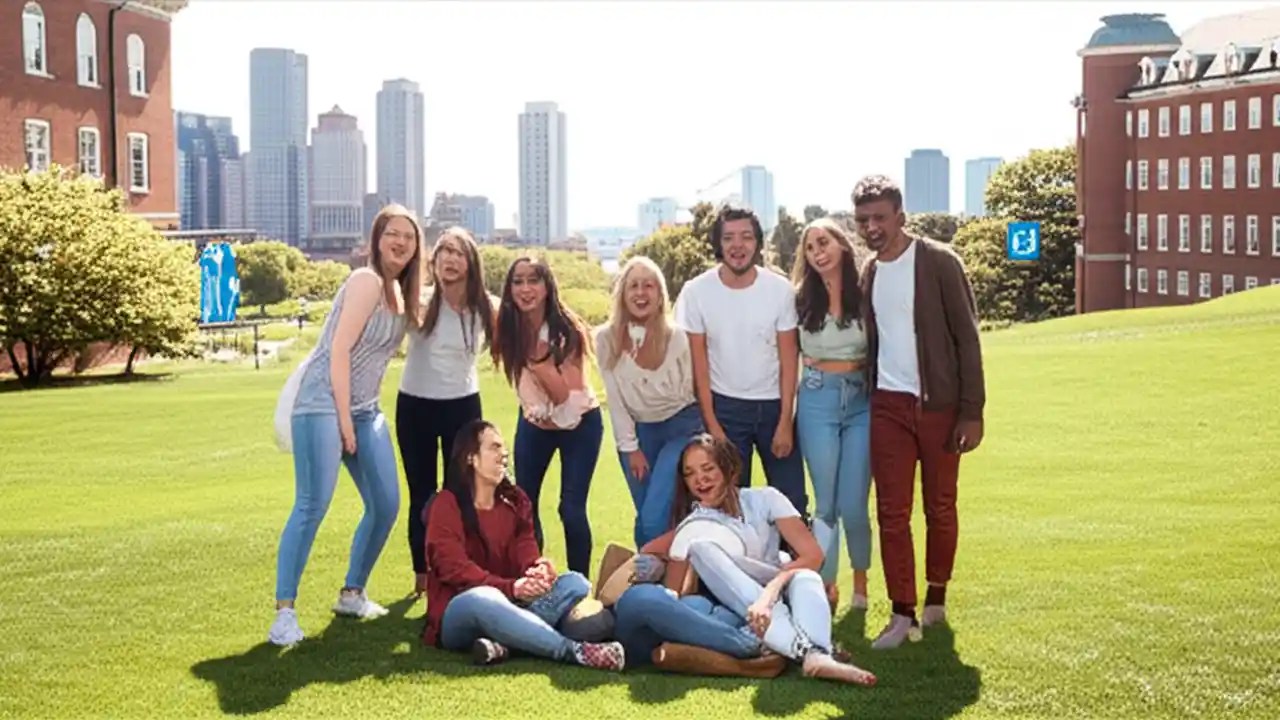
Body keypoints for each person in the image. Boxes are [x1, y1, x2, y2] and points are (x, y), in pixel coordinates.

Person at [268, 204, 423, 647]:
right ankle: (284, 613)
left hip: (365, 409)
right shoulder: (366, 281)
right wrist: (342, 421)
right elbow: (338, 351)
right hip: (321, 402)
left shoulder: (401, 293)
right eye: (392, 233)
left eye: (409, 237)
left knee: (386, 503)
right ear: (377, 240)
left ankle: (352, 592)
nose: (400, 242)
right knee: (312, 504)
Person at [851, 175, 986, 650]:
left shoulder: (939, 262)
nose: (872, 227)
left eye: (880, 218)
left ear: (900, 217)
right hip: (887, 405)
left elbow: (968, 340)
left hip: (940, 406)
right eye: (863, 219)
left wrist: (972, 411)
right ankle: (901, 612)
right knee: (892, 513)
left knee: (940, 507)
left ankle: (936, 599)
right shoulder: (868, 273)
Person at [637, 434, 877, 685]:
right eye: (690, 473)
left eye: (708, 468)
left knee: (806, 576)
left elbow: (813, 556)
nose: (700, 479)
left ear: (729, 469)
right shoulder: (694, 527)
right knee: (700, 552)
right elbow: (665, 577)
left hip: (779, 588)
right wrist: (657, 566)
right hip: (738, 606)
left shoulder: (765, 498)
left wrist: (769, 593)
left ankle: (809, 652)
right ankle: (814, 653)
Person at [421, 419, 625, 670]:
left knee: (575, 582)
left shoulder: (516, 502)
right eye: (494, 447)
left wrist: (538, 569)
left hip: (516, 602)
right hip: (461, 609)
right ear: (471, 457)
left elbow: (527, 550)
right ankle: (573, 652)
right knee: (483, 598)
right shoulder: (446, 505)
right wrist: (512, 588)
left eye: (504, 448)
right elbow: (454, 569)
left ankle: (504, 643)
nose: (503, 453)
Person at [673, 203, 808, 517]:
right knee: (729, 506)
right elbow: (699, 366)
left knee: (792, 504)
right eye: (729, 238)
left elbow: (790, 361)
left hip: (775, 407)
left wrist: (786, 421)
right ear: (718, 244)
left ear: (758, 243)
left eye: (746, 237)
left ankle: (797, 566)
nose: (738, 245)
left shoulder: (779, 289)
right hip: (725, 407)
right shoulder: (696, 292)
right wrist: (713, 424)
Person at [396, 226, 497, 596]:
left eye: (459, 253)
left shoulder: (487, 307)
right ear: (433, 260)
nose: (451, 260)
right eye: (444, 252)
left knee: (461, 494)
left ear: (471, 262)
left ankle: (460, 571)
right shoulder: (416, 301)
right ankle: (422, 576)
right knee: (421, 494)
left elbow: (523, 342)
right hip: (416, 407)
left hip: (463, 408)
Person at [492, 256, 603, 577]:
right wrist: (533, 410)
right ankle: (534, 580)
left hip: (579, 422)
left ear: (547, 286)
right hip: (535, 423)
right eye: (518, 281)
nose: (525, 289)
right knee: (523, 505)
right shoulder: (508, 329)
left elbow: (566, 401)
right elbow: (523, 388)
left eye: (533, 280)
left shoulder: (567, 330)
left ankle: (580, 585)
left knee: (570, 508)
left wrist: (541, 362)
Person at [791, 217, 874, 612]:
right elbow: (786, 360)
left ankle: (861, 582)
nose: (817, 253)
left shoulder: (867, 291)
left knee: (855, 503)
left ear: (842, 245)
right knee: (826, 505)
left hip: (861, 401)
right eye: (810, 247)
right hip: (817, 398)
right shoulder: (800, 299)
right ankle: (826, 587)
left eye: (823, 243)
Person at [595, 256, 704, 548]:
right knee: (646, 513)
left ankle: (652, 574)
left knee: (656, 516)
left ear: (660, 296)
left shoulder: (677, 337)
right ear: (622, 294)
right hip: (639, 432)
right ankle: (650, 583)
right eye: (633, 286)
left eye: (649, 286)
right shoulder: (605, 339)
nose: (641, 293)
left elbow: (694, 390)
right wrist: (631, 448)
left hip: (682, 426)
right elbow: (615, 400)